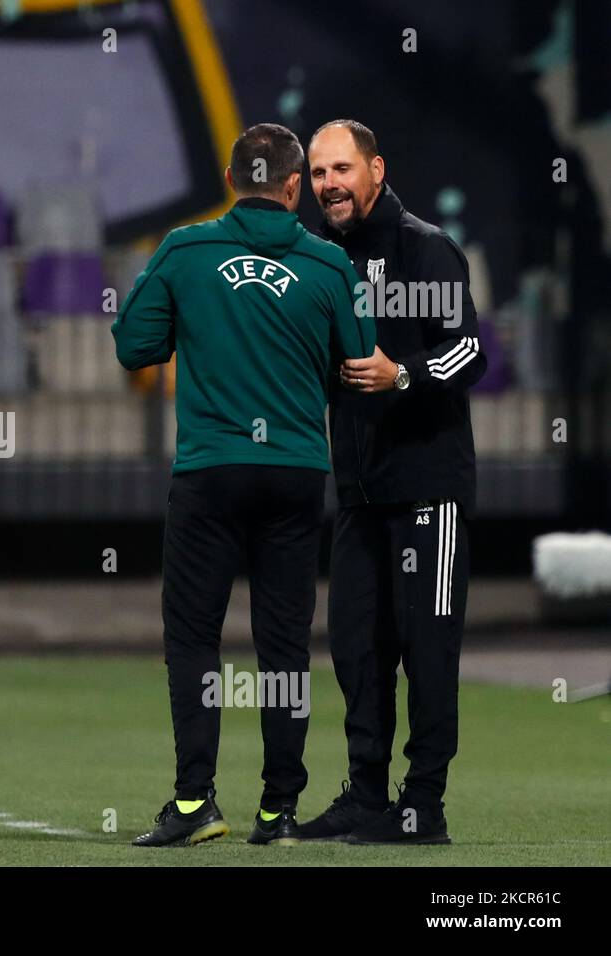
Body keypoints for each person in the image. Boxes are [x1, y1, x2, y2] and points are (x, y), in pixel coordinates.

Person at [113, 123, 375, 848]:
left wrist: (200, 326)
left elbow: (135, 343)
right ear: (294, 187)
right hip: (295, 473)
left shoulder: (185, 249)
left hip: (210, 472)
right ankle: (279, 811)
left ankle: (195, 804)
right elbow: (360, 366)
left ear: (231, 181)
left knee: (194, 638)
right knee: (285, 645)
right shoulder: (329, 265)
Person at [300, 119, 486, 845]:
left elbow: (470, 346)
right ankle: (368, 796)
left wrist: (403, 374)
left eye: (341, 169)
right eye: (317, 174)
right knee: (356, 647)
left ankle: (423, 806)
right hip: (359, 494)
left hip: (428, 491)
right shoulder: (321, 259)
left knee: (428, 650)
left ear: (376, 169)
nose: (329, 185)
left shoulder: (425, 247)